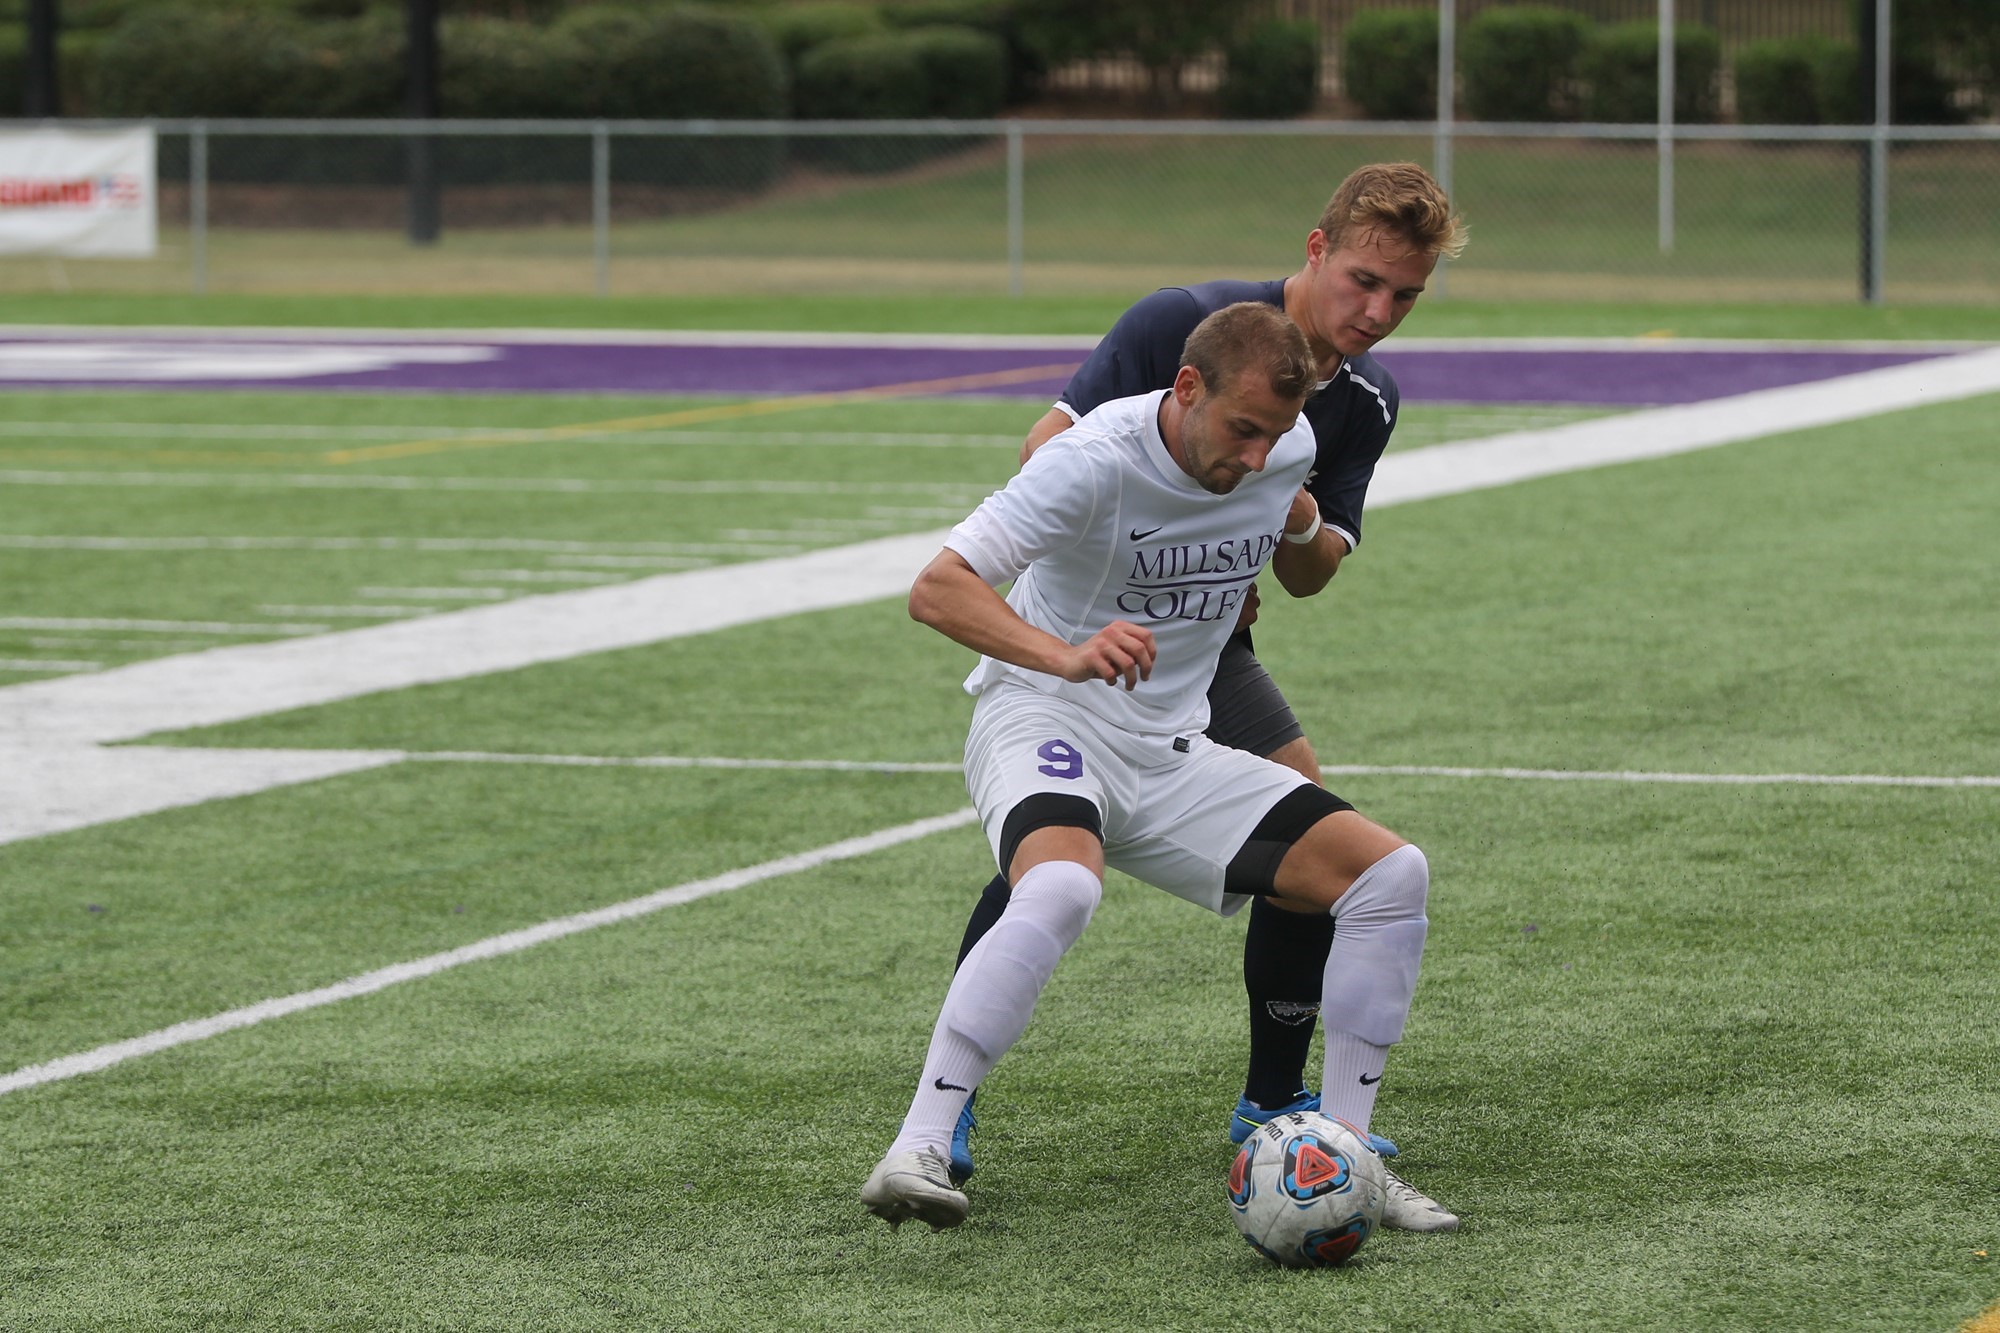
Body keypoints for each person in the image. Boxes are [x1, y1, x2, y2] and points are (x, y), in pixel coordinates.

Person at [942, 162, 1466, 1231]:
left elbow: (1310, 573)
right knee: (1050, 852)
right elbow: (1049, 454)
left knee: (1319, 843)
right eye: (1362, 280)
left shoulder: (1364, 401)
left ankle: (1273, 1104)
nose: (1376, 312)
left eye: (1403, 296)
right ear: (1314, 250)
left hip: (1210, 649)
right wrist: (1141, 581)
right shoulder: (1181, 325)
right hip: (1098, 632)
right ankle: (947, 1113)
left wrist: (1289, 514)